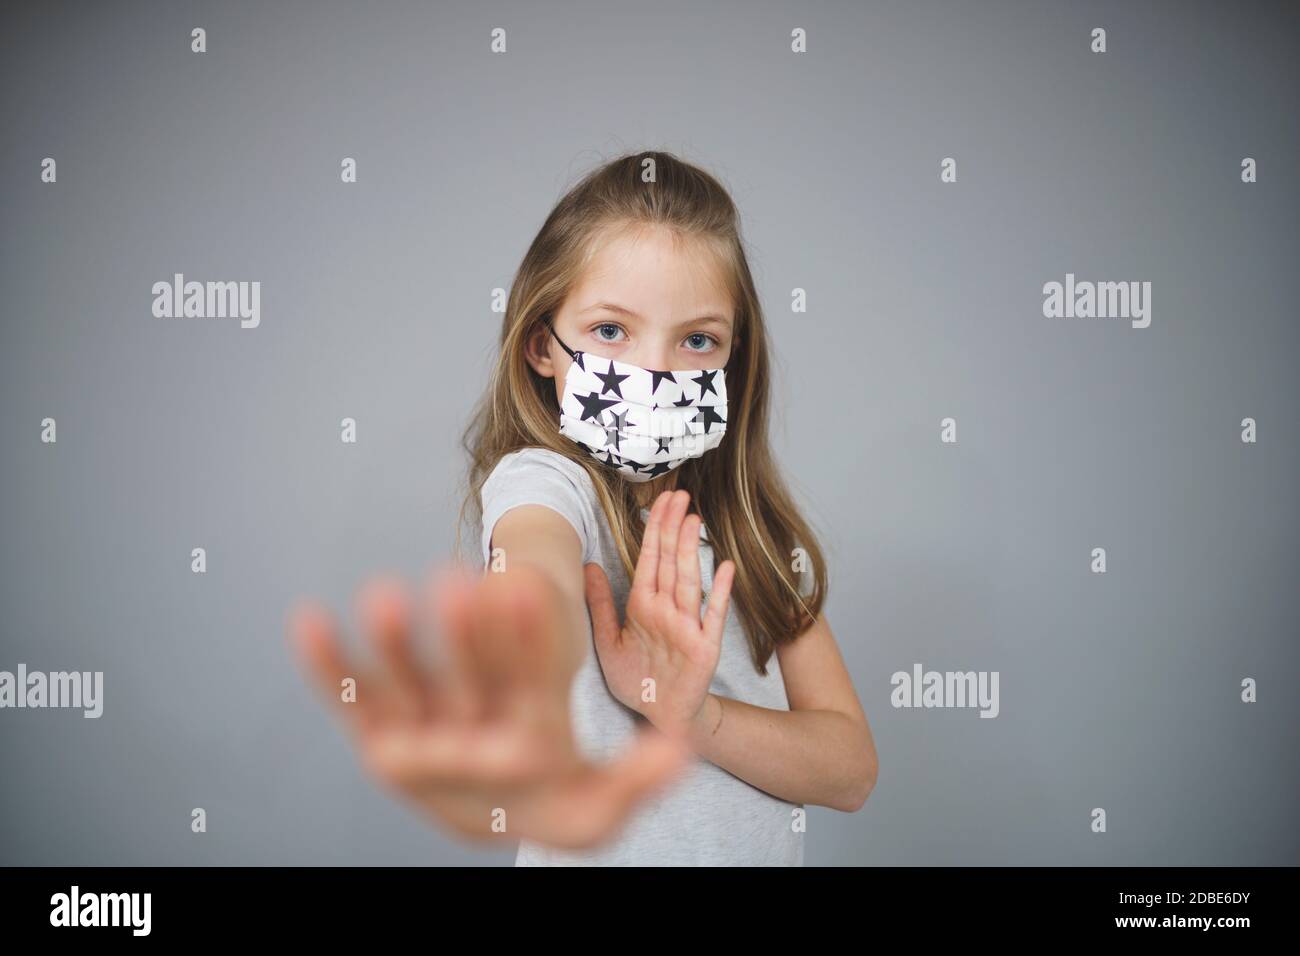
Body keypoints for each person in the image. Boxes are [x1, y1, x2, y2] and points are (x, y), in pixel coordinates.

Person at [288, 150, 878, 865]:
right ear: (543, 345)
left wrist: (691, 716)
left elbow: (850, 771)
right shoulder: (543, 483)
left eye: (697, 340)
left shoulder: (753, 535)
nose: (654, 372)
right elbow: (537, 570)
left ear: (733, 359)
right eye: (610, 331)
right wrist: (522, 667)